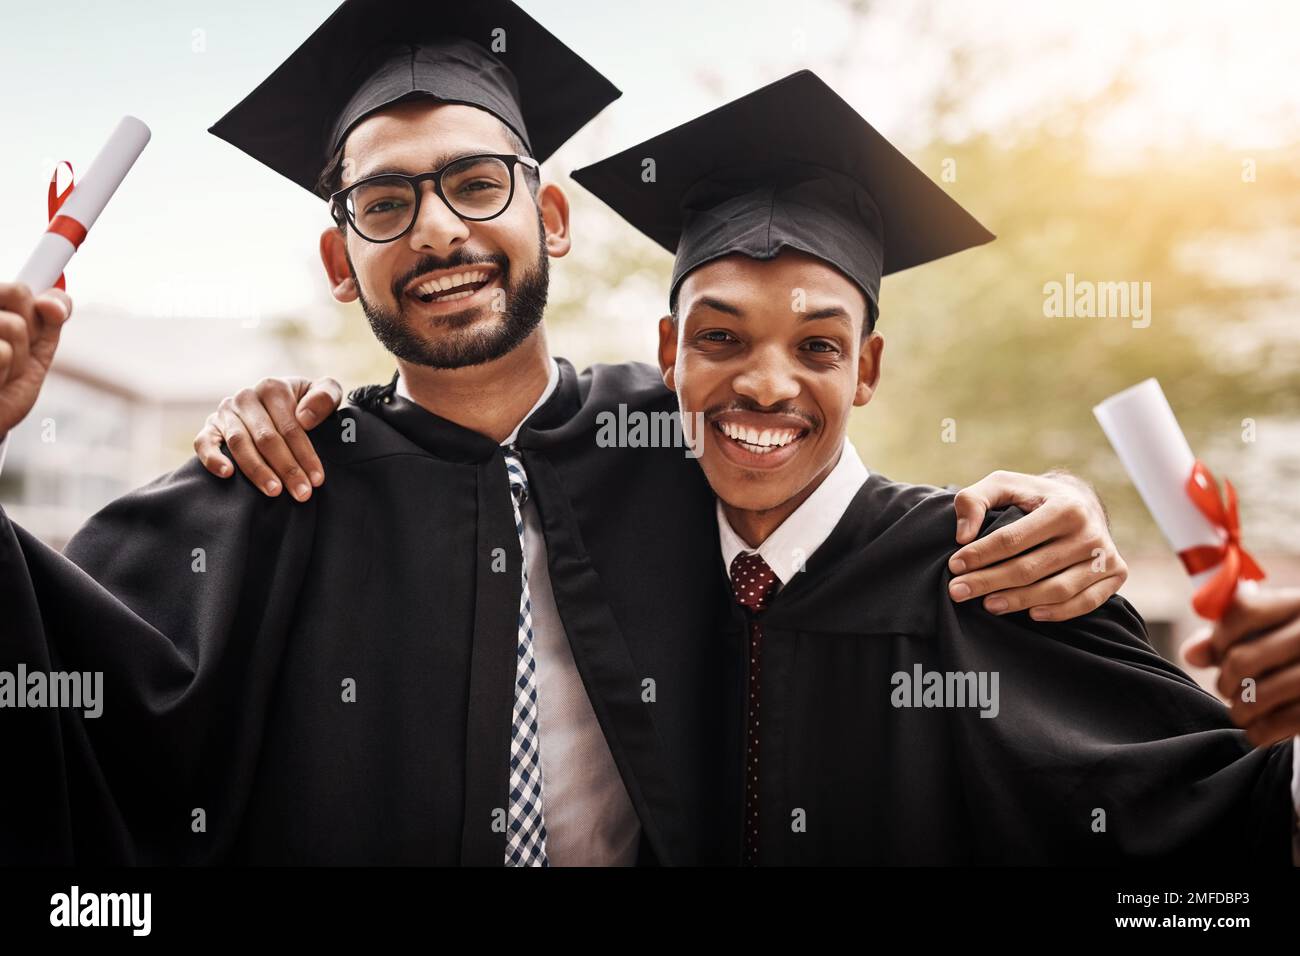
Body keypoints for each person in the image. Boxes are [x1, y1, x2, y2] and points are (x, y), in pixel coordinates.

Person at [1, 1, 1119, 866]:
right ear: (342, 263)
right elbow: (67, 707)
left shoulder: (685, 440)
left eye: (477, 184)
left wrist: (1054, 515)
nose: (438, 229)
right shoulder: (272, 488)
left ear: (551, 217)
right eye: (385, 204)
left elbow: (849, 524)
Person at [572, 71, 1296, 863]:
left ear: (867, 369)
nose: (768, 386)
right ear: (670, 350)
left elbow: (1220, 809)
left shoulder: (990, 572)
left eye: (818, 346)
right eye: (720, 337)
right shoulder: (623, 536)